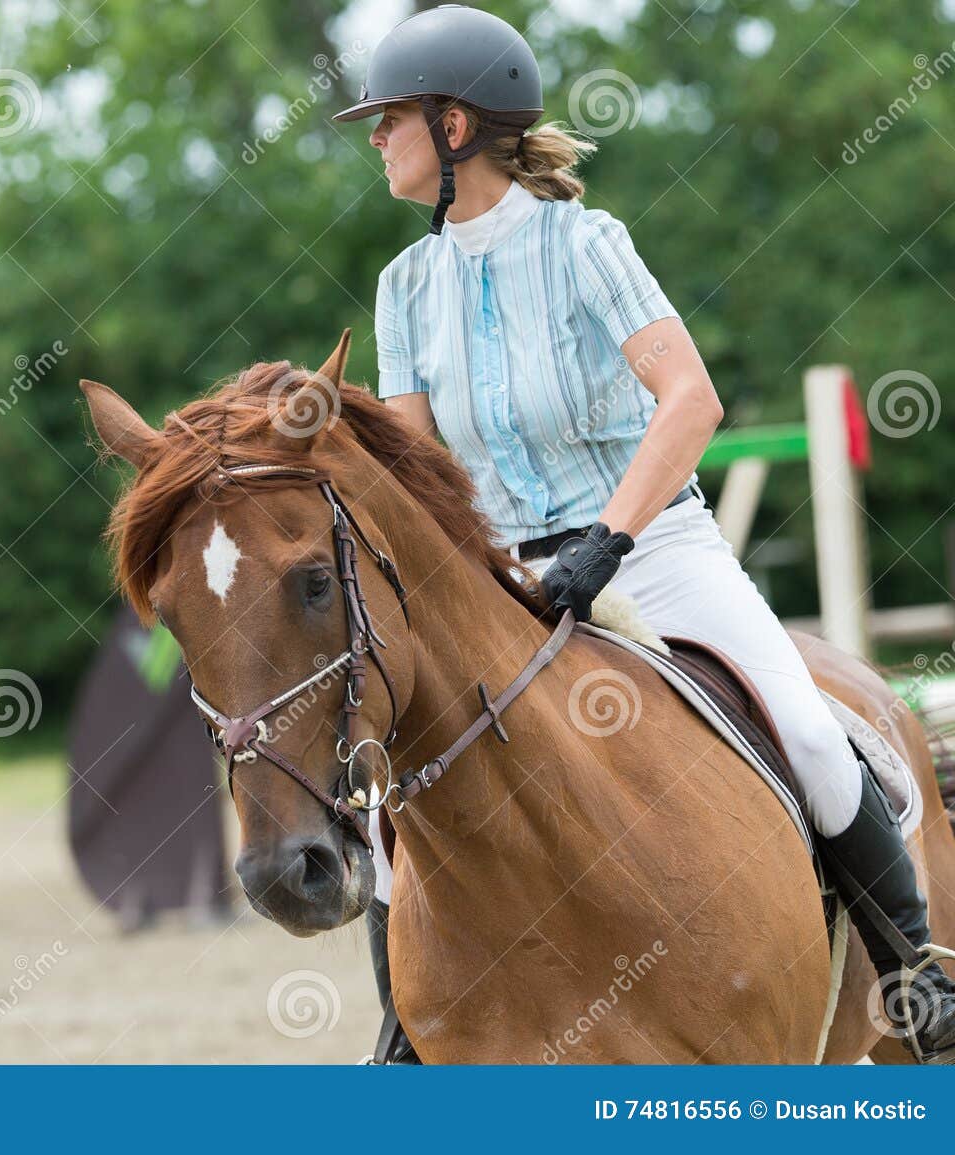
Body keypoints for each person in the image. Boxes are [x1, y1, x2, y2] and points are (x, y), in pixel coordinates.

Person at [332, 3, 955, 1064]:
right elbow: (418, 468)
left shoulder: (584, 244)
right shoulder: (404, 286)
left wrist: (606, 544)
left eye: (386, 117)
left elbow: (689, 401)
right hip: (503, 582)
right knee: (404, 807)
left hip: (649, 550)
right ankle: (406, 1033)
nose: (371, 137)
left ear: (451, 127)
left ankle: (914, 966)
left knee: (809, 730)